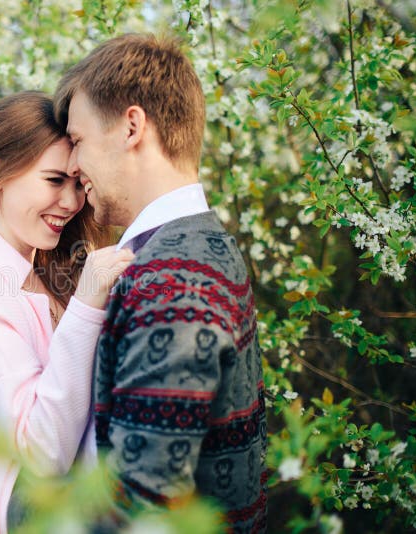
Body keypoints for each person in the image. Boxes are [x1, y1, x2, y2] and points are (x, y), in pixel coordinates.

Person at [54, 34, 267, 532]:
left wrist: (1, 505)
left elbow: (140, 511)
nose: (71, 166)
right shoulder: (197, 247)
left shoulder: (173, 280)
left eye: (78, 141)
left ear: (132, 126)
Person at [0, 91, 134, 533]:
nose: (71, 202)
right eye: (54, 180)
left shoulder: (42, 274)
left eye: (77, 183)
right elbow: (41, 453)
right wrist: (86, 307)